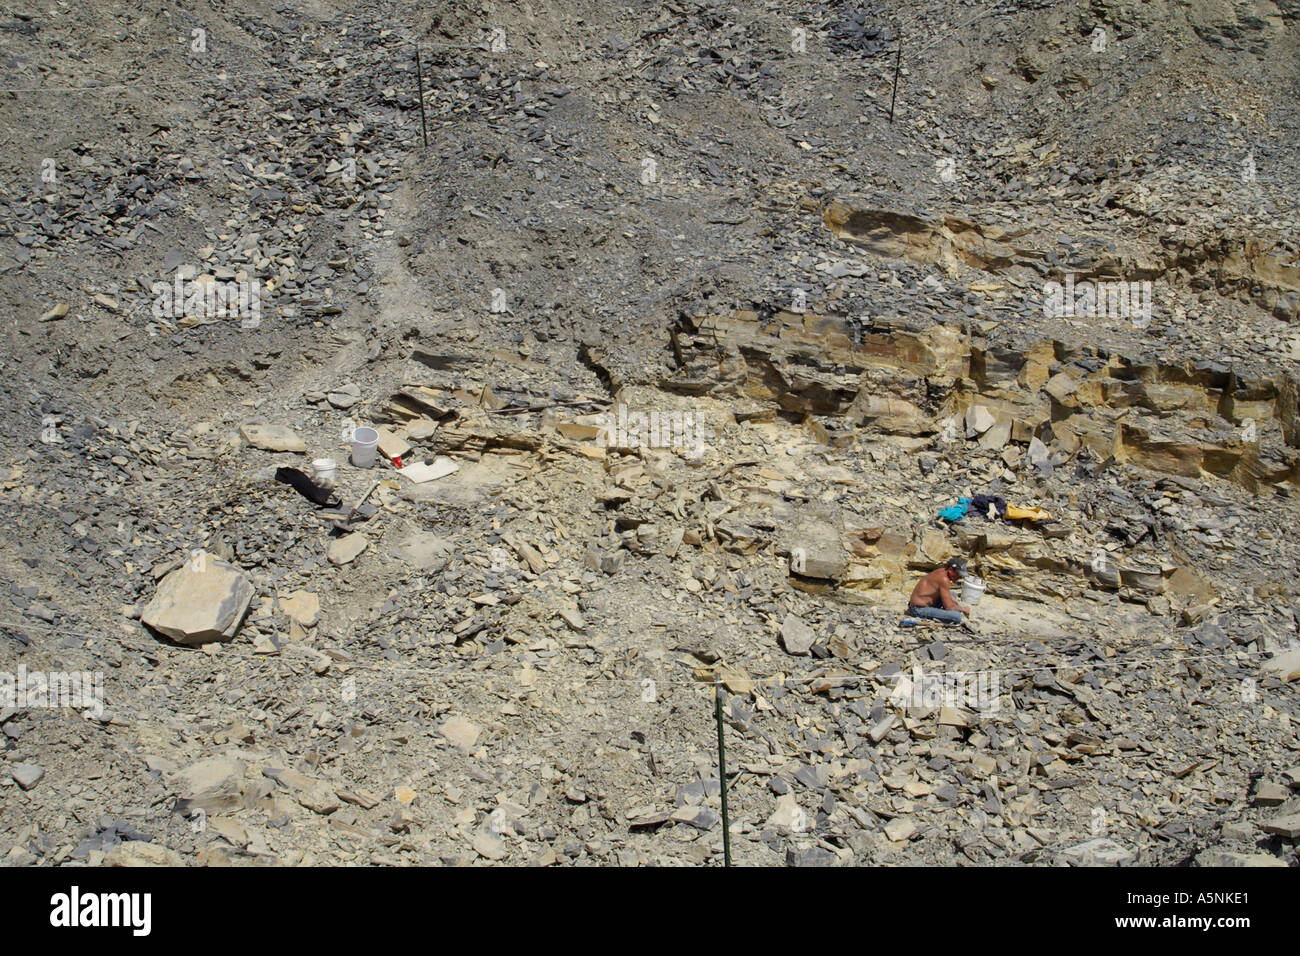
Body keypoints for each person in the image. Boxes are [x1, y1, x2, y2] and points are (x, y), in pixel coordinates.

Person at [906, 558, 971, 625]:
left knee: (953, 594)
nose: (959, 577)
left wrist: (953, 602)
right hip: (918, 609)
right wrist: (963, 609)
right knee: (957, 617)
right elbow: (949, 607)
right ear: (951, 570)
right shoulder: (944, 579)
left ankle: (942, 612)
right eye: (958, 574)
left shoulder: (942, 571)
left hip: (924, 603)